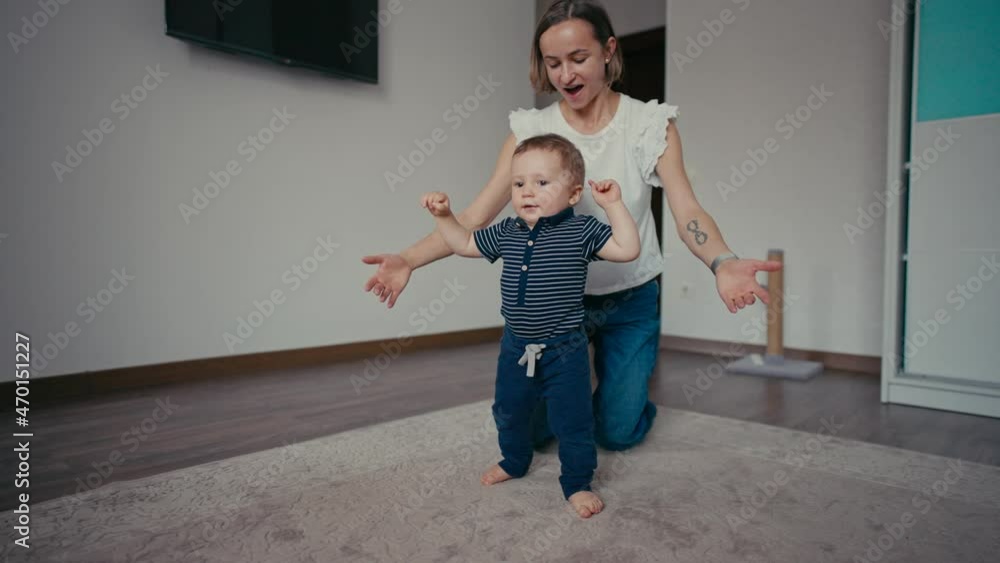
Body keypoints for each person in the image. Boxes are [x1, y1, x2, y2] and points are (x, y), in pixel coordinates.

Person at [362, 0, 781, 452]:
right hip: (555, 307)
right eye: (553, 63)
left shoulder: (648, 125)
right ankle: (586, 393)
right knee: (541, 432)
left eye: (578, 59)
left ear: (607, 51)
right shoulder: (531, 130)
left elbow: (688, 212)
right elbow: (473, 218)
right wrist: (408, 259)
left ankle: (629, 401)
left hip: (630, 297)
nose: (565, 75)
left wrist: (723, 260)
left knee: (616, 432)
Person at [420, 133, 639, 518]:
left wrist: (614, 205)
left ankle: (576, 483)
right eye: (519, 183)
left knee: (572, 420)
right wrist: (444, 218)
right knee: (508, 409)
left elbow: (627, 249)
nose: (527, 192)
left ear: (573, 195)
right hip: (515, 346)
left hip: (565, 349)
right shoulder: (508, 231)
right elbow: (464, 244)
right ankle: (514, 460)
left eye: (541, 182)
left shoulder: (582, 230)